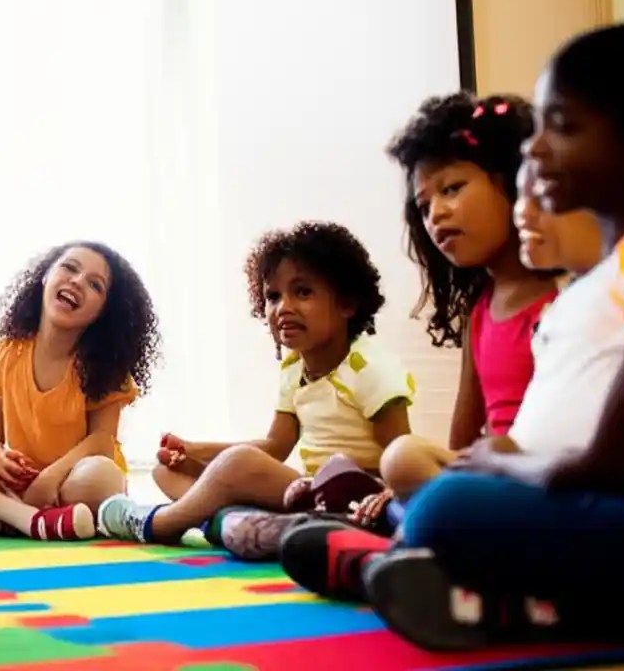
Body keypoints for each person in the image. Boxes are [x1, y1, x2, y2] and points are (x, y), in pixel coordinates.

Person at [279, 24, 624, 645]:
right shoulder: (602, 278)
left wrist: (511, 467)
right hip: (568, 497)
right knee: (435, 498)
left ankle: (399, 566)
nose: (536, 153)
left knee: (442, 509)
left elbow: (601, 465)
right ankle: (454, 586)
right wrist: (497, 464)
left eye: (561, 125)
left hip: (617, 510)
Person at [96, 222, 414, 556]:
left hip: (361, 498)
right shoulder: (294, 369)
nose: (284, 308)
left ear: (348, 304)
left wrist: (386, 498)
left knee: (237, 466)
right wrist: (193, 451)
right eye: (273, 296)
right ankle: (233, 523)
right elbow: (275, 445)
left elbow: (399, 456)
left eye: (303, 292)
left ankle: (159, 524)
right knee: (168, 470)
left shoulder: (369, 368)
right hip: (307, 492)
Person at [373, 94, 559, 503]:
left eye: (451, 188)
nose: (436, 214)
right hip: (489, 480)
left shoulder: (563, 299)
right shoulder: (481, 311)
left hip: (548, 479)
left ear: (515, 182)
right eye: (423, 207)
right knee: (404, 460)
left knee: (404, 463)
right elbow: (460, 443)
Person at [0, 242, 161, 541]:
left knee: (101, 477)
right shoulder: (7, 351)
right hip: (20, 483)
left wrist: (51, 477)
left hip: (72, 481)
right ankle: (29, 519)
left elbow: (102, 442)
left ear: (104, 312)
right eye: (69, 268)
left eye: (95, 284)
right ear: (44, 276)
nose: (77, 281)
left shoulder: (106, 368)